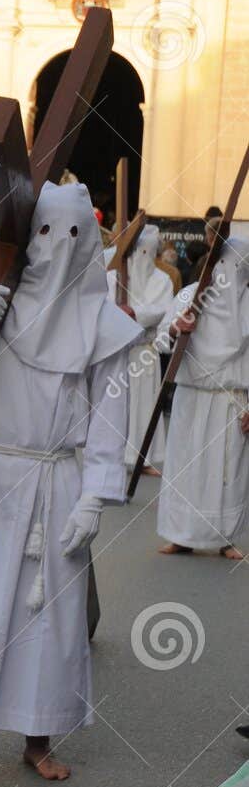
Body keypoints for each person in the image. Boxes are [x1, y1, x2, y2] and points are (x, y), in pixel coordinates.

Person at [0, 182, 141, 782]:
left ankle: (38, 736)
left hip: (53, 482)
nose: (58, 248)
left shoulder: (104, 324)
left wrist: (94, 497)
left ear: (89, 241)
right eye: (44, 233)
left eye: (73, 236)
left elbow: (111, 418)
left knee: (45, 615)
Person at [154, 235, 249, 560]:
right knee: (186, 468)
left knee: (228, 472)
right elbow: (161, 339)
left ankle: (226, 537)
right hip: (192, 397)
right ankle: (181, 535)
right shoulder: (189, 297)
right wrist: (175, 329)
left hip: (232, 400)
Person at [106, 223, 172, 477]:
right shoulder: (117, 274)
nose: (140, 259)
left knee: (144, 405)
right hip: (119, 350)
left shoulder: (162, 280)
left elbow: (162, 310)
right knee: (117, 403)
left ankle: (142, 457)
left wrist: (135, 312)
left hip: (144, 352)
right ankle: (113, 452)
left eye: (147, 252)